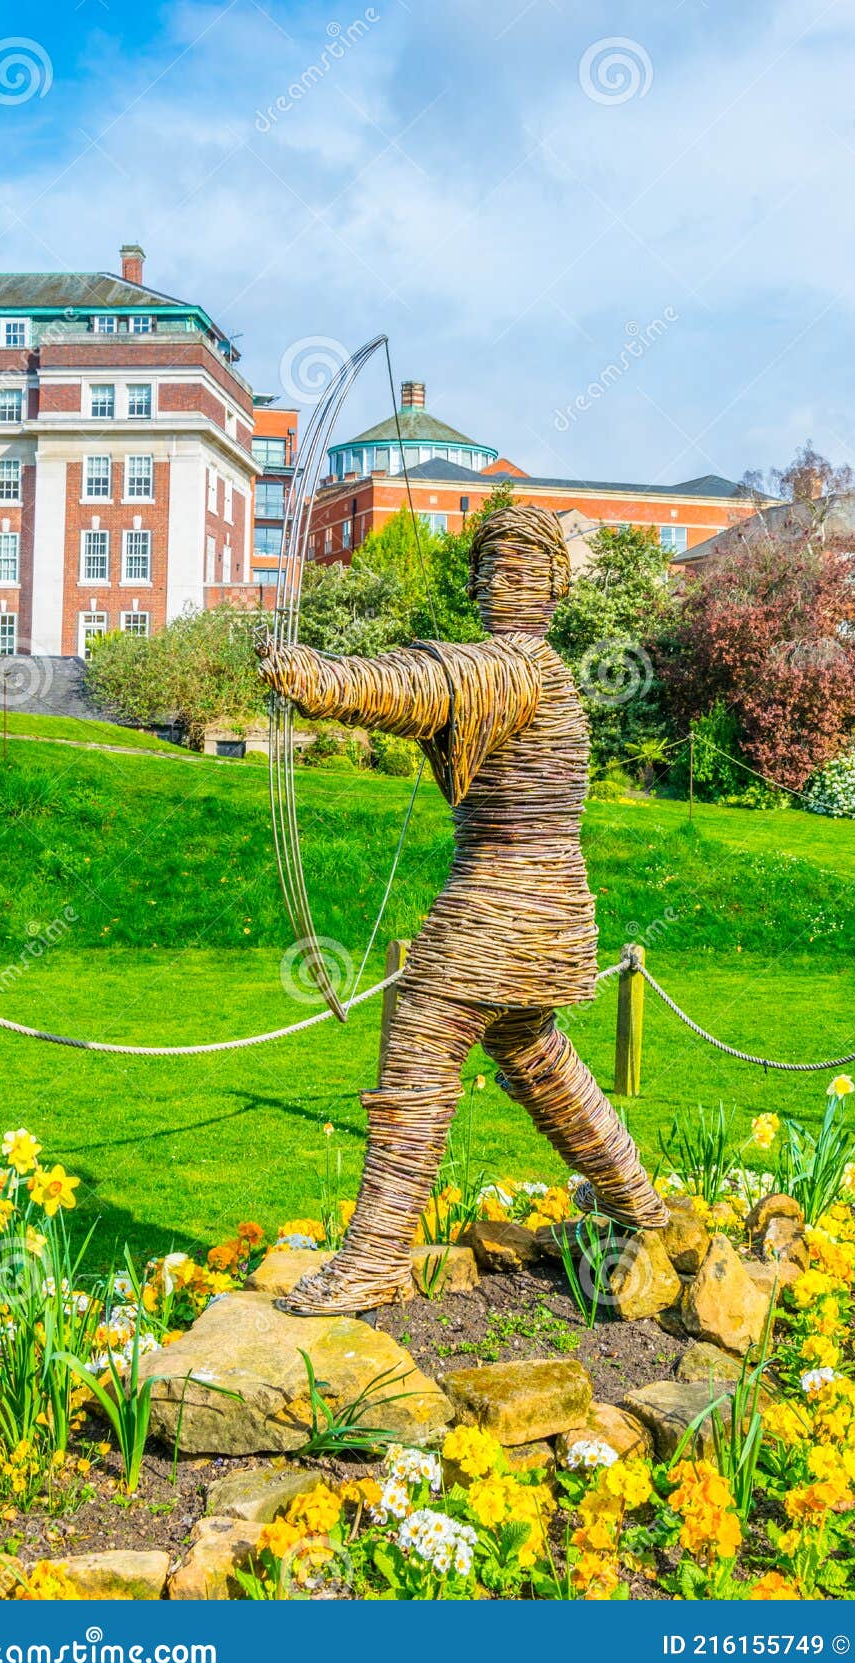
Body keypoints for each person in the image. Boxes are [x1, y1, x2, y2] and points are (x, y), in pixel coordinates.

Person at [257, 504, 665, 1315]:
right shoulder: (534, 669)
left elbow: (414, 685)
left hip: (506, 896)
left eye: (517, 570)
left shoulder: (512, 669)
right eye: (486, 569)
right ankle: (635, 1201)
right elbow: (434, 686)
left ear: (551, 586)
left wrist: (318, 677)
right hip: (546, 897)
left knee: (422, 1033)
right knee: (528, 1047)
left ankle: (374, 1256)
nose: (496, 583)